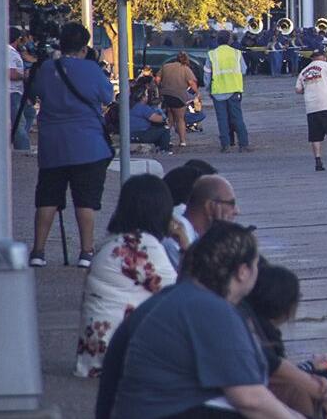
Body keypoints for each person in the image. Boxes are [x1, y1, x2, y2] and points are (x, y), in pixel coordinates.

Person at [96, 222, 302, 419]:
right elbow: (249, 399)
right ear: (243, 272)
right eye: (256, 265)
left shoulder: (184, 298)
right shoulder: (212, 310)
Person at [75, 175, 177, 378]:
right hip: (117, 356)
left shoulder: (114, 241)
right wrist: (184, 243)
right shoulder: (140, 245)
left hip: (95, 352)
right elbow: (185, 293)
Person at [29, 23, 114, 268]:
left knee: (47, 198)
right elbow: (107, 96)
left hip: (52, 145)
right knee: (85, 200)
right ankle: (86, 252)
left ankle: (38, 251)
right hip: (88, 144)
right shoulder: (90, 69)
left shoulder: (46, 68)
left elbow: (34, 92)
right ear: (84, 47)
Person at [242, 263, 327, 418]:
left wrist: (311, 368)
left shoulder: (252, 324)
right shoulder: (259, 336)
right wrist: (324, 381)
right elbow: (272, 370)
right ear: (287, 308)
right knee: (296, 391)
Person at [162, 174, 240, 270]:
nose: (237, 211)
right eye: (231, 204)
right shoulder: (176, 237)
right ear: (209, 206)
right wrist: (220, 237)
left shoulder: (198, 235)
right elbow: (209, 280)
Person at [205, 30, 252, 153]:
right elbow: (244, 70)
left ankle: (225, 145)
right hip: (234, 90)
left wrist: (208, 89)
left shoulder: (212, 54)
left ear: (217, 40)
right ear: (229, 40)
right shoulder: (236, 53)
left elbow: (207, 75)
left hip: (218, 91)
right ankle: (243, 144)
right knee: (237, 118)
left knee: (222, 119)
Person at [159, 52, 197, 148]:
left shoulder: (166, 66)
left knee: (170, 118)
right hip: (179, 97)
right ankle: (182, 141)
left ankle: (167, 139)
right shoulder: (185, 69)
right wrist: (195, 94)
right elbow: (192, 84)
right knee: (180, 119)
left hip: (166, 95)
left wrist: (161, 87)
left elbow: (157, 79)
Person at [129, 84, 173, 153]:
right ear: (142, 97)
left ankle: (158, 147)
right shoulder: (142, 107)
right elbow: (158, 119)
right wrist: (161, 112)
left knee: (155, 130)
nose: (147, 97)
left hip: (130, 133)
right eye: (146, 95)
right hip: (140, 134)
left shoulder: (130, 106)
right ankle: (164, 150)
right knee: (165, 130)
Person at [8, 26, 32, 151]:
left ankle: (17, 140)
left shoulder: (13, 52)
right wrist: (24, 75)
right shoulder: (9, 52)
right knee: (19, 124)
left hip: (18, 91)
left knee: (29, 113)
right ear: (17, 39)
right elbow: (10, 73)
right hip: (12, 92)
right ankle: (22, 150)